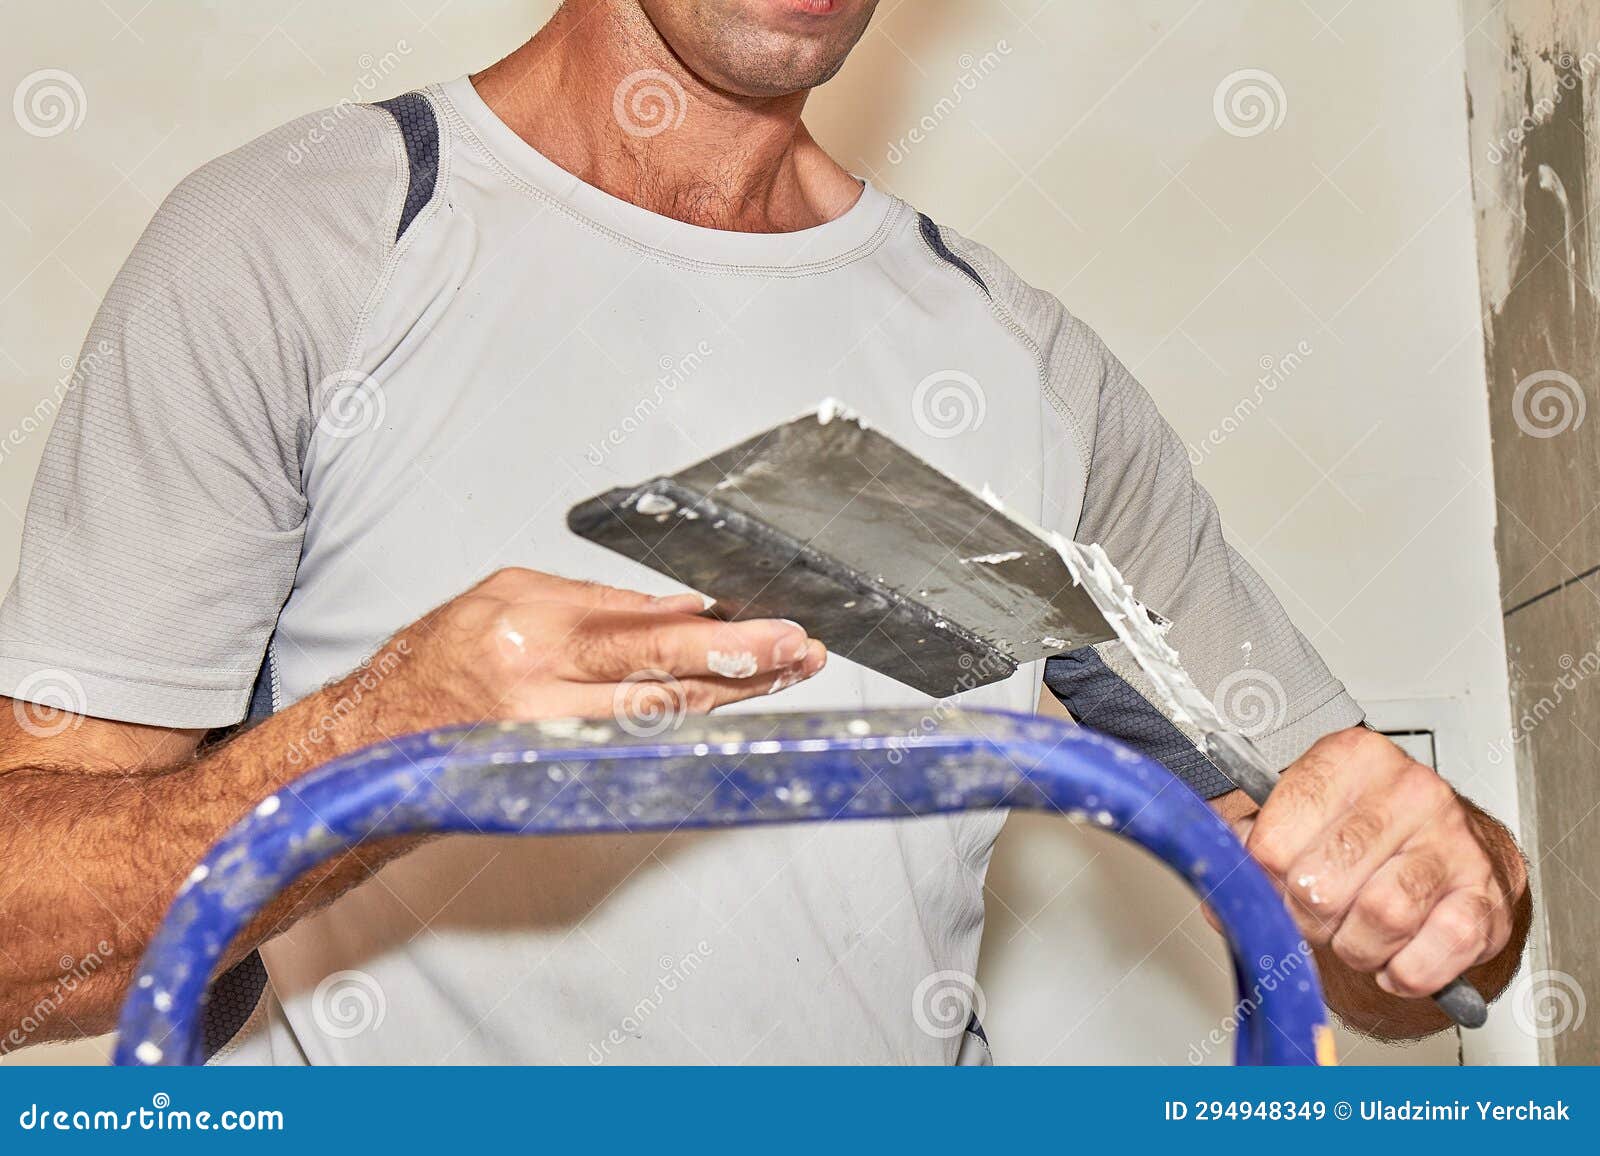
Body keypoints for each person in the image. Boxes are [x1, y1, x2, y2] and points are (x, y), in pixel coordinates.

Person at [0, 0, 1529, 1064]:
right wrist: (380, 751)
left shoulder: (1018, 366)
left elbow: (1398, 943)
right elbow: (23, 949)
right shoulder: (304, 242)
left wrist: (1446, 891)